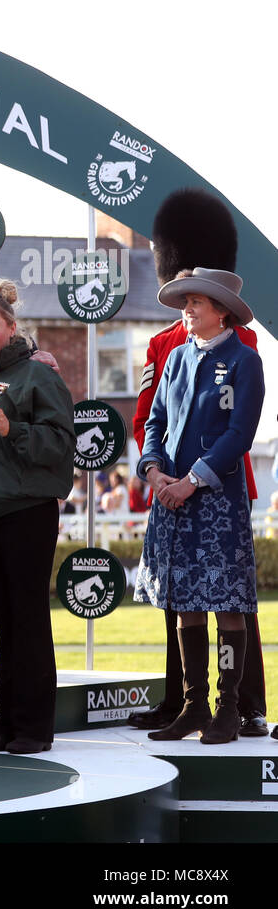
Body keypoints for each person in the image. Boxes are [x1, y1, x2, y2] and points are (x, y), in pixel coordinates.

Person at [127, 188, 267, 737]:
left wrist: (192, 481)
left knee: (227, 605)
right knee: (183, 603)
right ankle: (192, 706)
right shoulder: (176, 356)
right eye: (185, 302)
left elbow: (238, 434)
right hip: (172, 500)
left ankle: (230, 706)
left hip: (216, 502)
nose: (187, 310)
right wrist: (155, 472)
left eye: (196, 303)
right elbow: (154, 419)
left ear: (221, 311)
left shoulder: (244, 359)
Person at [0, 281, 75, 754]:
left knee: (28, 621)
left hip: (26, 513)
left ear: (11, 328)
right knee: (4, 622)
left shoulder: (37, 375)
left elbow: (63, 445)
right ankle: (6, 724)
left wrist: (13, 429)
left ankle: (34, 728)